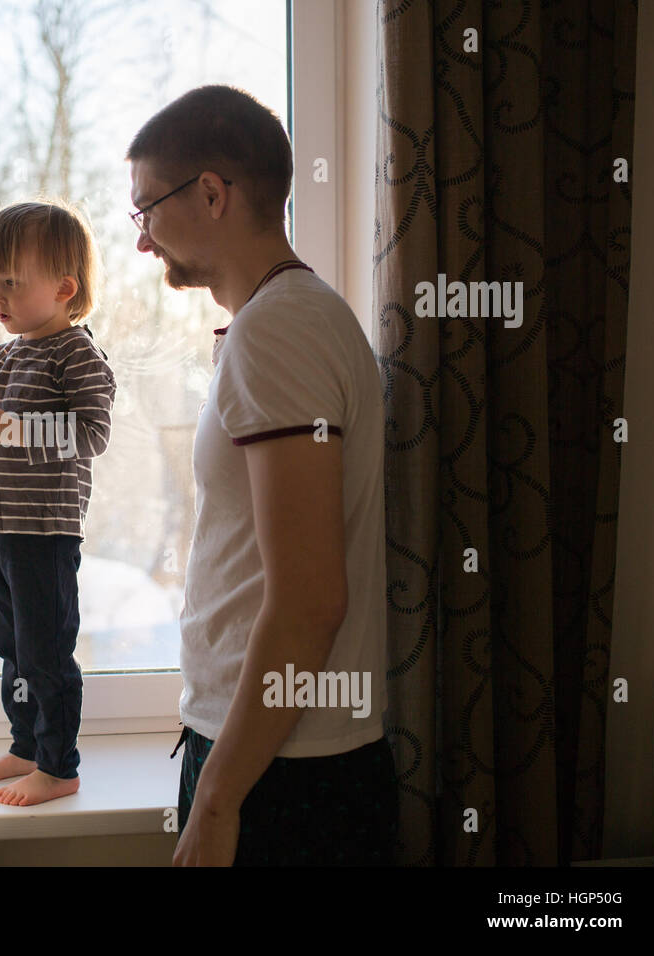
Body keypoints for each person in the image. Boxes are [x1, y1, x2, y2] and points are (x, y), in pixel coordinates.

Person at [126, 85, 399, 865]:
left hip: (282, 776)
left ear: (212, 193)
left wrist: (215, 800)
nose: (142, 241)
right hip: (282, 758)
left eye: (146, 209)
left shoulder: (278, 330)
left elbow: (311, 600)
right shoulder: (283, 321)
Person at [0, 200, 116, 806]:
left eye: (10, 281)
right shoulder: (8, 353)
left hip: (44, 530)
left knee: (45, 653)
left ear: (65, 287)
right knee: (11, 649)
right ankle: (26, 746)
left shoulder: (76, 353)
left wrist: (2, 426)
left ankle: (59, 765)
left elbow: (90, 434)